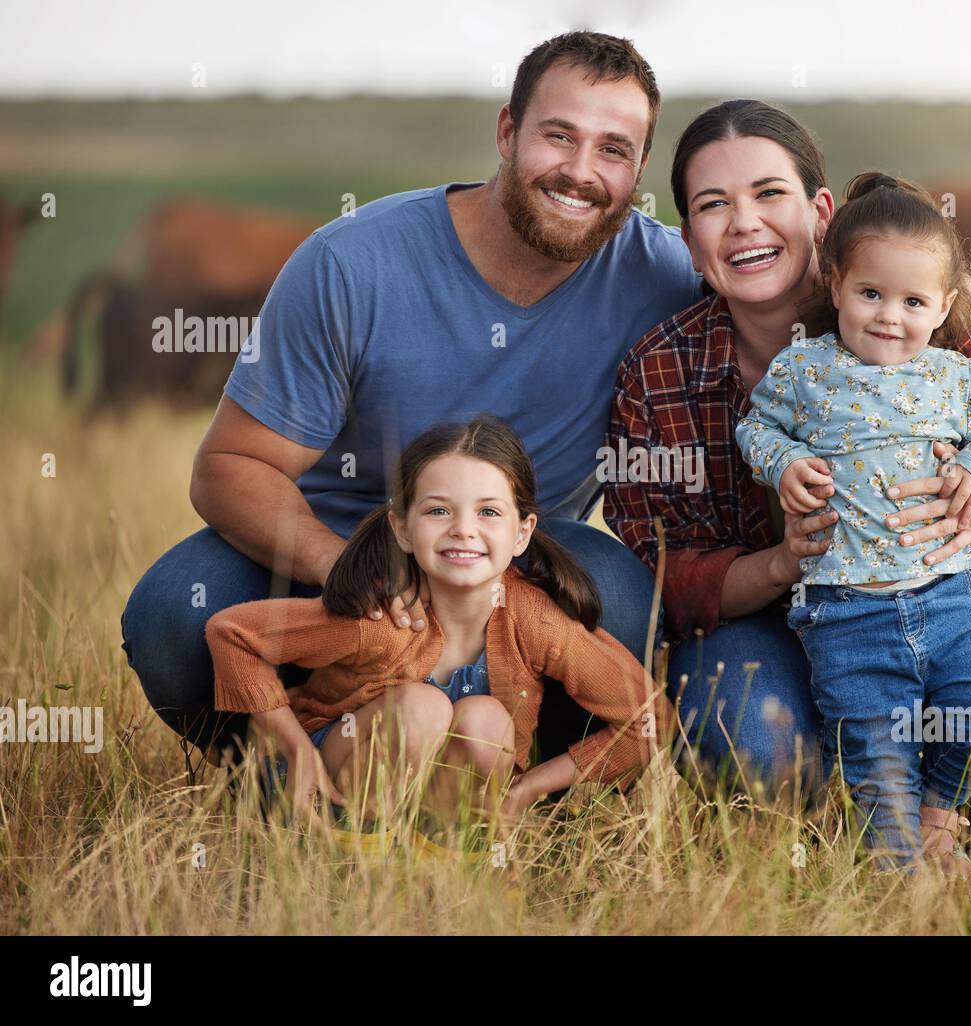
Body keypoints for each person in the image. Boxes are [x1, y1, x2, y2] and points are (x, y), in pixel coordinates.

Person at [120, 32, 699, 778]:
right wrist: (362, 575)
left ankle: (502, 777)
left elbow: (797, 294)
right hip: (334, 546)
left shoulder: (663, 275)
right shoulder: (351, 263)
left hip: (507, 560)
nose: (581, 172)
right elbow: (229, 468)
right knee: (174, 613)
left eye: (613, 150)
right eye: (558, 136)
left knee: (620, 601)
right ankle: (291, 773)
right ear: (505, 132)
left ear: (639, 169)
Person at [604, 100, 971, 847]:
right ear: (691, 242)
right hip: (769, 621)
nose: (744, 223)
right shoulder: (660, 368)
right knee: (766, 754)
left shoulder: (929, 324)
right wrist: (782, 560)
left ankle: (956, 813)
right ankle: (849, 803)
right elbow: (666, 575)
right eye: (714, 205)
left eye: (770, 194)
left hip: (933, 591)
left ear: (821, 212)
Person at [735, 170, 971, 875]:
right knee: (877, 762)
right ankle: (901, 886)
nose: (888, 316)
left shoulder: (960, 377)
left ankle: (942, 812)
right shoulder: (805, 370)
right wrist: (781, 464)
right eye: (870, 293)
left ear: (944, 307)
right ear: (835, 284)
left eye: (912, 301)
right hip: (845, 616)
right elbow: (757, 430)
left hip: (951, 602)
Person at [205, 415, 671, 826]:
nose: (463, 529)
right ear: (403, 529)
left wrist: (532, 787)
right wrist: (295, 748)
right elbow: (233, 636)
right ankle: (356, 842)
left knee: (488, 720)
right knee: (421, 710)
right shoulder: (382, 616)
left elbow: (649, 718)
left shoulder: (535, 621)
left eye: (488, 511)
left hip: (441, 807)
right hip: (329, 786)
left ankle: (443, 848)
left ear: (522, 533)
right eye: (438, 510)